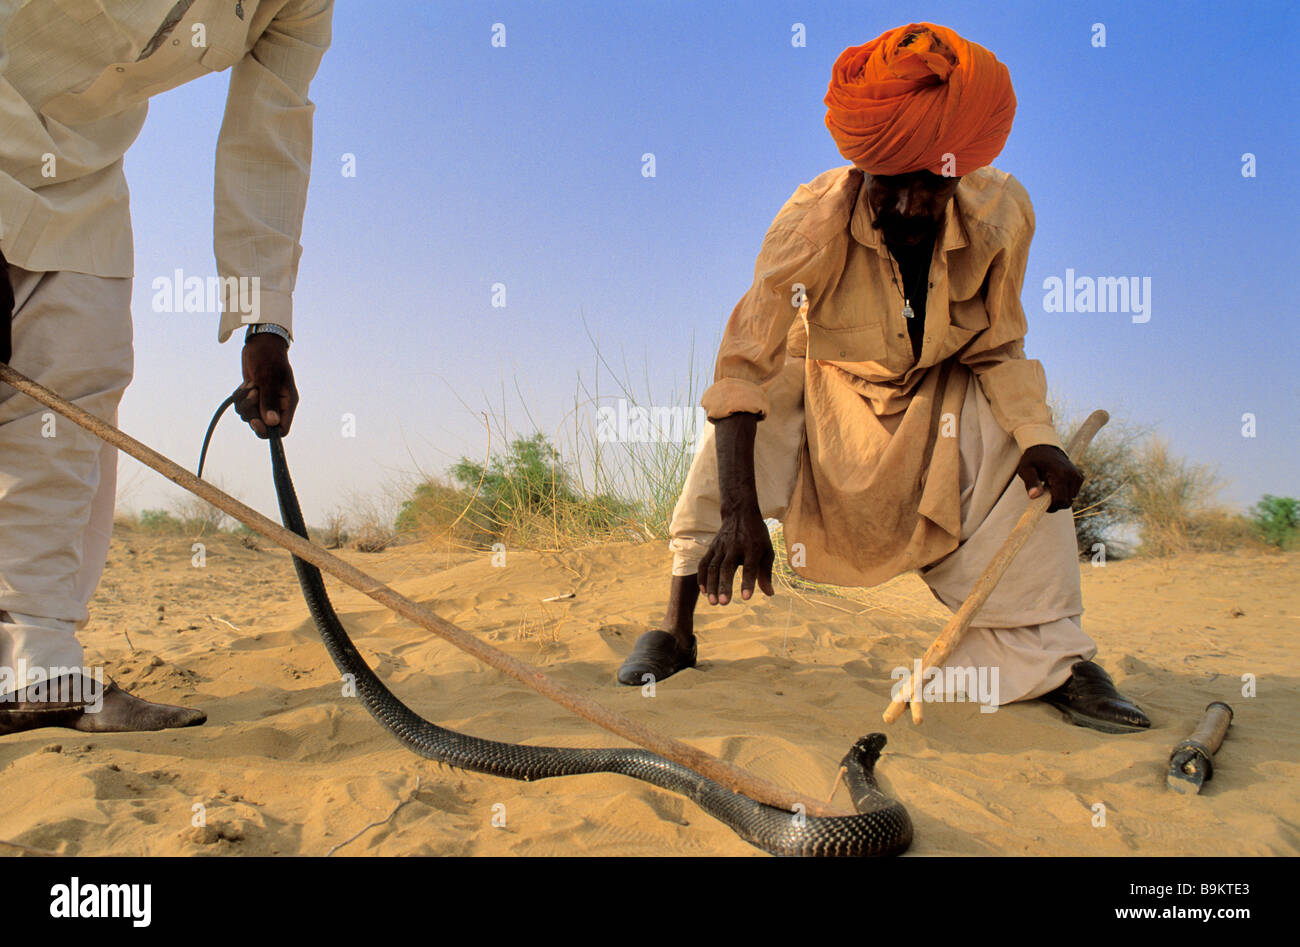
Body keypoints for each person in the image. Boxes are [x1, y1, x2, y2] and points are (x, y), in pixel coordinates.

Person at [616, 23, 1150, 733]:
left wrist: (1039, 439)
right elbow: (742, 362)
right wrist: (743, 508)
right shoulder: (810, 222)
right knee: (752, 406)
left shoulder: (1001, 217)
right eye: (890, 186)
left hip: (936, 397)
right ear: (865, 169)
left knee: (1019, 443)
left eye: (929, 187)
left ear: (957, 174)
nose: (907, 206)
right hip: (826, 392)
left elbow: (999, 347)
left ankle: (1060, 661)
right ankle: (675, 628)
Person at [0, 0, 333, 734]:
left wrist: (265, 322)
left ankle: (38, 669)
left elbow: (268, 134)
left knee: (75, 386)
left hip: (79, 175)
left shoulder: (302, 7)